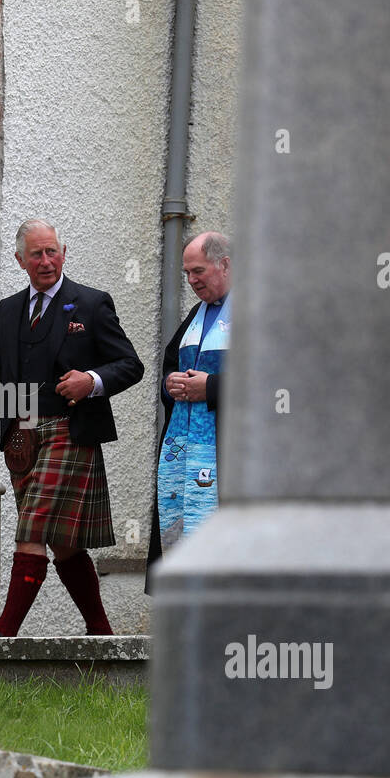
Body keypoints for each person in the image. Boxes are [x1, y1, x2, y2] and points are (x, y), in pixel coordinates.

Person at [0, 219, 144, 636]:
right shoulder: (8, 310)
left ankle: (1, 637)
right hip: (20, 439)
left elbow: (131, 365)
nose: (47, 261)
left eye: (53, 251)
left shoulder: (92, 304)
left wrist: (91, 382)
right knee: (62, 541)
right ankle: (100, 631)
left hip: (69, 432)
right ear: (20, 260)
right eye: (37, 254)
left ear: (64, 252)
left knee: (33, 526)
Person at [148, 232, 232, 591]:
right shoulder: (197, 315)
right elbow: (171, 363)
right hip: (185, 452)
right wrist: (172, 384)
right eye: (186, 273)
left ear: (225, 264)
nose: (192, 280)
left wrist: (212, 388)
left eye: (198, 270)